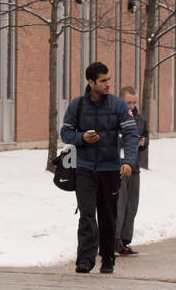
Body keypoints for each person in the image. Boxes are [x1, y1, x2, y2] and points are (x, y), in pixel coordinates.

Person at [60, 61, 137, 275]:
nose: (108, 84)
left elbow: (131, 134)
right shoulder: (77, 105)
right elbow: (65, 133)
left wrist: (128, 161)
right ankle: (84, 260)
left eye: (109, 79)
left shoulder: (118, 105)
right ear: (91, 82)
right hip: (84, 169)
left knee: (107, 215)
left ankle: (108, 259)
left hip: (110, 169)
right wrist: (82, 138)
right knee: (86, 214)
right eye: (103, 80)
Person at [115, 87, 148, 256]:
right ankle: (113, 241)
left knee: (131, 206)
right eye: (129, 102)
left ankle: (125, 242)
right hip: (118, 167)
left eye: (134, 102)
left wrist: (143, 142)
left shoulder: (140, 119)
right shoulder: (114, 117)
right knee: (118, 206)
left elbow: (145, 140)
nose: (132, 105)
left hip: (134, 168)